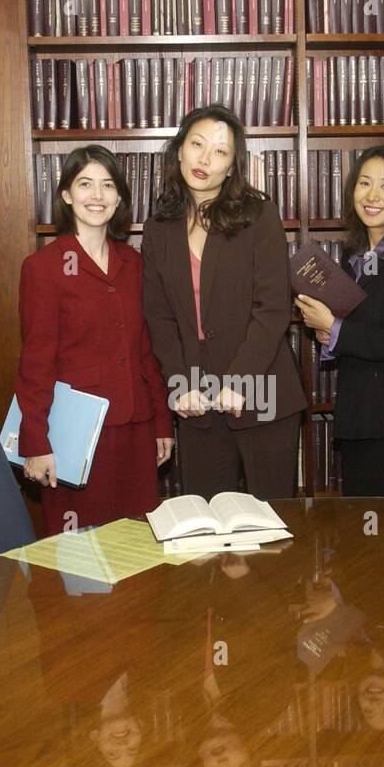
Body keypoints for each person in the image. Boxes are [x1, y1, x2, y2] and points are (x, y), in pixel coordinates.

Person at [141, 105, 306, 500]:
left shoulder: (259, 215)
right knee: (206, 525)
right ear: (178, 150)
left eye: (219, 152)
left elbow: (273, 309)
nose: (204, 159)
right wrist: (178, 384)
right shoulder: (158, 228)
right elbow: (159, 317)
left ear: (232, 166)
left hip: (262, 390)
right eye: (196, 144)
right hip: (196, 400)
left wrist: (239, 379)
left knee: (272, 525)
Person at [15, 145, 173, 536]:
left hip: (135, 430)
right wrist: (35, 442)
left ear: (120, 197)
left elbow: (146, 353)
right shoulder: (45, 268)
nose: (97, 196)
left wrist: (162, 423)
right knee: (82, 567)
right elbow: (35, 364)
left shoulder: (133, 264)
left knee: (139, 551)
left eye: (107, 186)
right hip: (75, 435)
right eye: (85, 184)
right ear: (67, 195)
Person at [295, 145, 384, 498]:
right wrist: (326, 332)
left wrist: (336, 330)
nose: (372, 196)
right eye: (363, 183)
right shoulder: (354, 256)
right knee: (364, 538)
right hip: (357, 416)